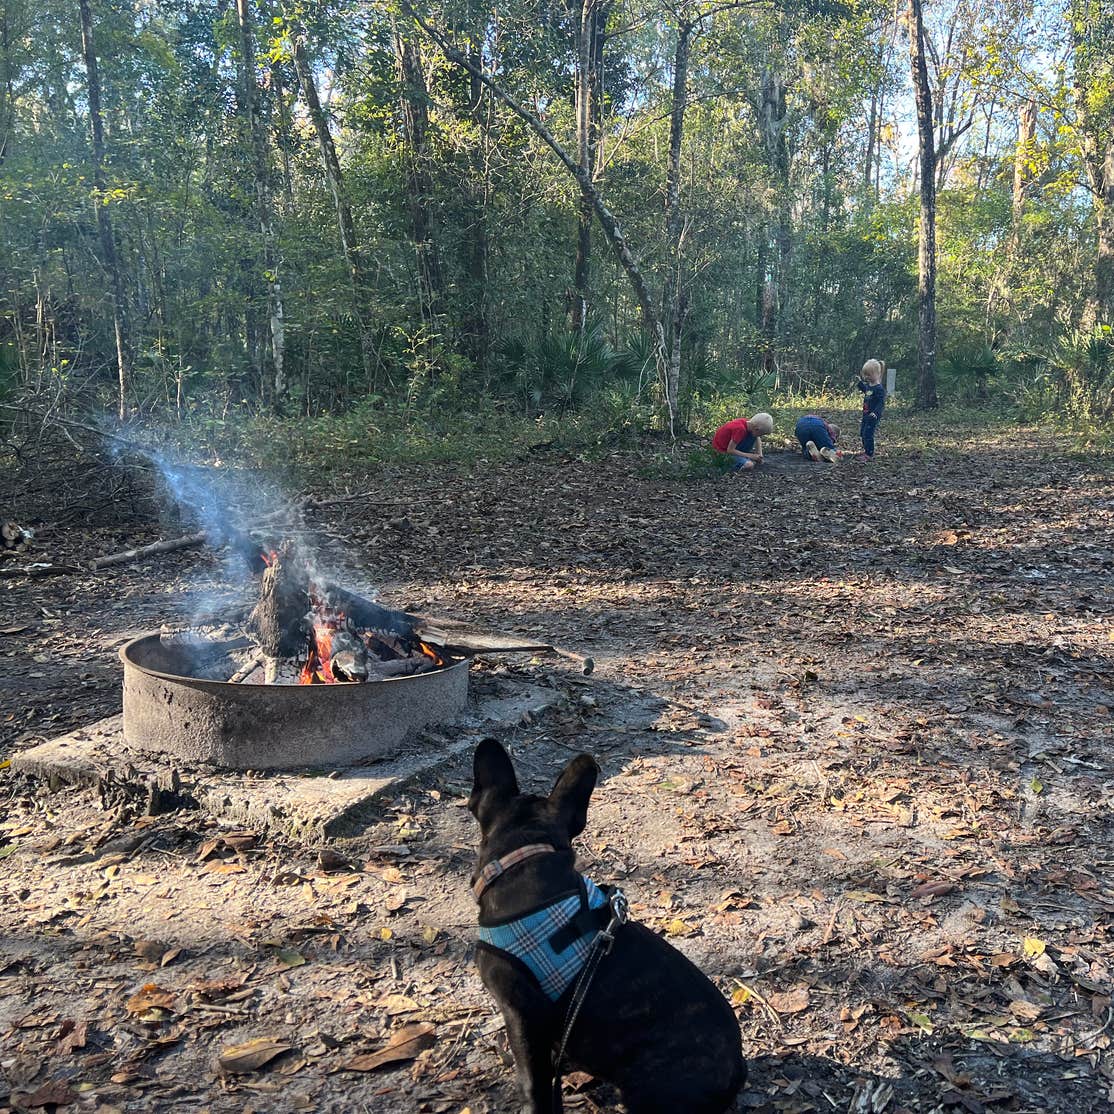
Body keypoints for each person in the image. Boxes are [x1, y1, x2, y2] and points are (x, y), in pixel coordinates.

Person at [854, 359, 886, 461]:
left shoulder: (879, 389)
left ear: (877, 374)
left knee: (868, 433)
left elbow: (881, 403)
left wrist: (876, 412)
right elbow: (867, 392)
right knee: (863, 432)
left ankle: (869, 453)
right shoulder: (869, 386)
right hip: (866, 414)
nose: (867, 377)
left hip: (873, 416)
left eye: (869, 375)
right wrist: (860, 383)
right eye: (865, 375)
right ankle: (866, 450)